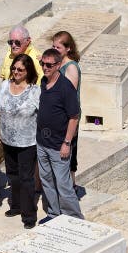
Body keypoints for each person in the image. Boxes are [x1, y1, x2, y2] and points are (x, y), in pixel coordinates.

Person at [36, 48, 83, 222]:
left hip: (59, 145)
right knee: (47, 180)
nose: (45, 67)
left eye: (49, 65)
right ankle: (54, 214)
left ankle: (75, 219)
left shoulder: (65, 87)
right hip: (42, 143)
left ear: (58, 65)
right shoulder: (43, 82)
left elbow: (74, 117)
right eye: (43, 64)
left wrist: (67, 143)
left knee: (64, 185)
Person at [0, 54, 40, 229]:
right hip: (7, 140)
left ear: (28, 71)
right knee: (12, 176)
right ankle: (16, 205)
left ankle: (29, 215)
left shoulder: (35, 91)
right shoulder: (4, 85)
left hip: (27, 142)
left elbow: (42, 115)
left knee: (26, 178)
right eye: (13, 68)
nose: (16, 72)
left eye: (20, 69)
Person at [52, 31, 81, 184]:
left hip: (68, 117)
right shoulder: (59, 64)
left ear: (68, 48)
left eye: (58, 47)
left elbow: (69, 95)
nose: (55, 50)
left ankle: (71, 187)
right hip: (57, 116)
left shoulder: (71, 68)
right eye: (53, 47)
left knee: (68, 154)